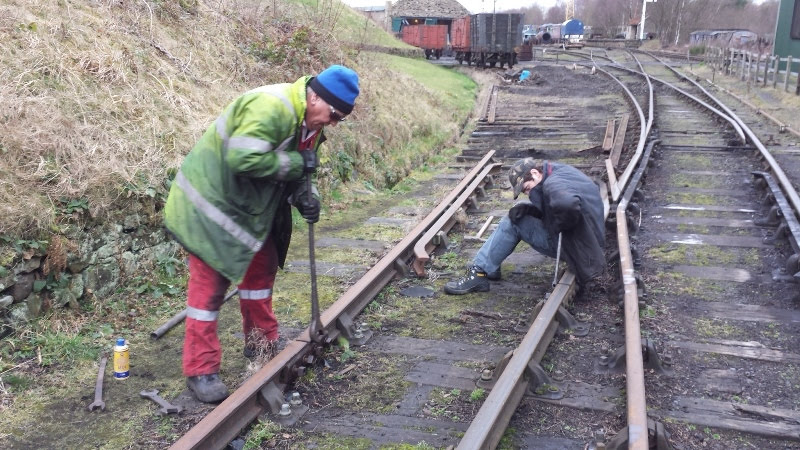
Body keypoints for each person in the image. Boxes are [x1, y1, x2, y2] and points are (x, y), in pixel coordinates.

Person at [164, 65, 360, 403]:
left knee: (260, 276)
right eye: (333, 115)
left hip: (253, 210)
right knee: (208, 293)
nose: (333, 124)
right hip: (212, 207)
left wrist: (306, 198)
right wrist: (299, 166)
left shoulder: (310, 123)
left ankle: (261, 344)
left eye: (338, 119)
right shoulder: (271, 107)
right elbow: (243, 158)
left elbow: (301, 170)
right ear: (316, 98)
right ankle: (200, 370)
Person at [443, 158, 605, 296]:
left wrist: (559, 223)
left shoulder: (553, 184)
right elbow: (562, 203)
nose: (528, 193)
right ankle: (489, 266)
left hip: (578, 248)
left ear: (535, 173)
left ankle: (479, 272)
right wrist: (536, 211)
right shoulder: (560, 171)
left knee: (513, 221)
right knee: (520, 209)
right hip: (587, 241)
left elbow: (566, 204)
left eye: (527, 188)